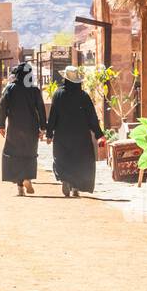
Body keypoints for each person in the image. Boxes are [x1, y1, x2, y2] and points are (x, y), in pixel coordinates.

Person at [46, 65, 102, 198]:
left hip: (62, 136)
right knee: (79, 161)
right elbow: (92, 117)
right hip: (81, 136)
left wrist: (49, 133)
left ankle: (65, 179)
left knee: (63, 159)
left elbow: (53, 116)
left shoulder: (58, 95)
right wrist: (99, 134)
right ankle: (76, 187)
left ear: (65, 79)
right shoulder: (84, 96)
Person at [0, 60, 46, 196]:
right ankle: (27, 178)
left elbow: (3, 107)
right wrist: (43, 127)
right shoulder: (34, 90)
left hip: (14, 128)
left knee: (14, 155)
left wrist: (1, 124)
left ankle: (19, 186)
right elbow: (41, 110)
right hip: (31, 128)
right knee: (29, 154)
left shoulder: (10, 89)